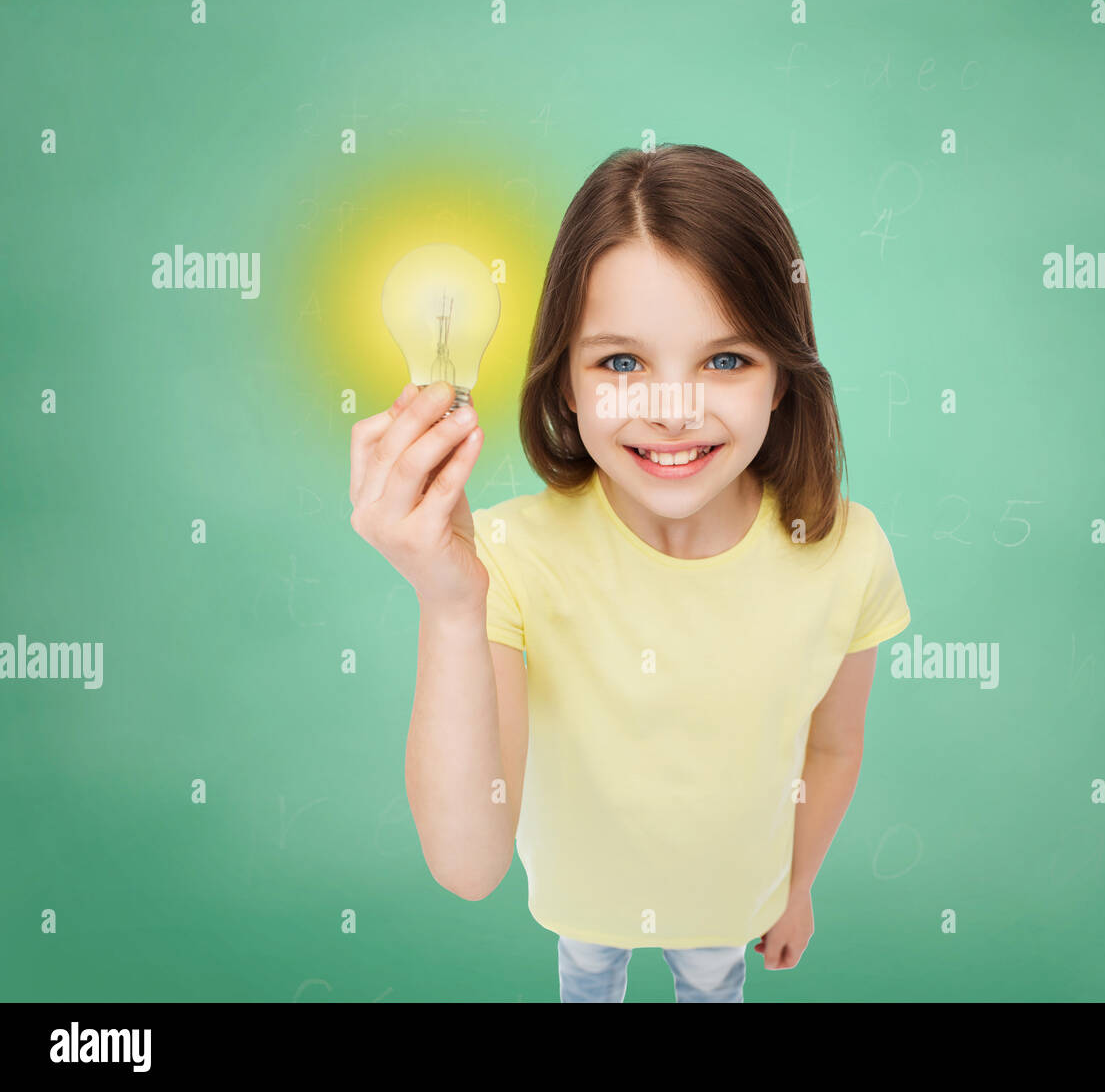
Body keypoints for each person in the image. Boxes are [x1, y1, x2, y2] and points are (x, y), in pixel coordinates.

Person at [349, 143, 911, 1002]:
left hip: (733, 908)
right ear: (566, 381)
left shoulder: (848, 550)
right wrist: (452, 603)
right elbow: (468, 865)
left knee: (712, 978)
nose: (673, 409)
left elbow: (833, 744)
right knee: (589, 974)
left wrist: (796, 886)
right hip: (582, 903)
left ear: (783, 380)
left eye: (726, 359)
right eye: (620, 362)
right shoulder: (505, 558)